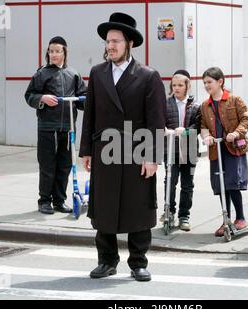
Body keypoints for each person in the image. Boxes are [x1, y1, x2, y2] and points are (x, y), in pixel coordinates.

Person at [79, 12, 166, 282]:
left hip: (136, 151)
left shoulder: (148, 76)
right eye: (108, 41)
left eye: (116, 41)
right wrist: (86, 151)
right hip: (104, 150)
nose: (110, 46)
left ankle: (138, 262)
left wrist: (152, 157)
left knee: (138, 207)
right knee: (104, 207)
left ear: (129, 43)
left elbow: (156, 121)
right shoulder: (97, 73)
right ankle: (106, 260)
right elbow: (89, 115)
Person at [25, 36, 87, 215]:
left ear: (64, 53)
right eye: (51, 51)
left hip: (68, 128)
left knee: (65, 166)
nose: (53, 54)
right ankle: (44, 201)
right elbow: (29, 95)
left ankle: (60, 201)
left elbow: (82, 97)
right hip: (47, 127)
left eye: (57, 51)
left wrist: (88, 100)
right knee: (47, 166)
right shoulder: (41, 73)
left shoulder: (73, 74)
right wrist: (41, 98)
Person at [200, 67, 248, 237]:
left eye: (210, 82)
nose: (207, 85)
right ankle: (226, 219)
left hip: (233, 148)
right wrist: (206, 136)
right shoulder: (205, 105)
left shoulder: (234, 99)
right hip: (216, 150)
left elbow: (246, 119)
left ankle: (241, 218)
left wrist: (236, 133)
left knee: (232, 182)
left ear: (220, 81)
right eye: (205, 83)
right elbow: (203, 126)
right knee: (221, 186)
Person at [161, 69, 201, 231]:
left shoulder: (196, 106)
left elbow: (198, 125)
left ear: (187, 86)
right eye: (174, 85)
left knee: (187, 184)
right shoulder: (165, 103)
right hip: (170, 149)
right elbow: (159, 120)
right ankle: (169, 211)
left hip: (189, 150)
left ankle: (184, 215)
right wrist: (165, 129)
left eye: (180, 85)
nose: (176, 88)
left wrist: (184, 131)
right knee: (170, 181)